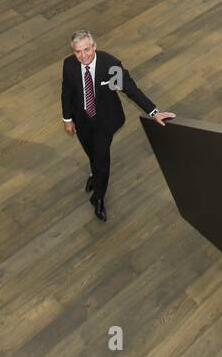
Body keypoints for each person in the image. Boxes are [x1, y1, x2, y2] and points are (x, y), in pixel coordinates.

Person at [61, 30, 175, 222]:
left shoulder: (110, 65)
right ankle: (93, 171)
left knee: (102, 160)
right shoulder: (69, 65)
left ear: (94, 47)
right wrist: (67, 119)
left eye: (86, 50)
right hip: (81, 120)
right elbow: (66, 91)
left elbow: (130, 89)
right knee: (90, 151)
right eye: (78, 52)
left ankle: (98, 197)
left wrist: (154, 112)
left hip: (104, 122)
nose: (83, 56)